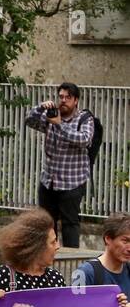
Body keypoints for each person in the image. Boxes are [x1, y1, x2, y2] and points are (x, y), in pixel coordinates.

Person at [27, 82, 95, 248]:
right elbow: (29, 120)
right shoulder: (51, 117)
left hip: (72, 182)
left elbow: (84, 139)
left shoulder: (84, 119)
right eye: (61, 97)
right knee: (45, 224)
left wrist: (60, 124)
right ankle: (47, 261)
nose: (63, 101)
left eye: (68, 97)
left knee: (70, 224)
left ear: (76, 100)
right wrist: (40, 107)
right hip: (49, 181)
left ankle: (71, 263)